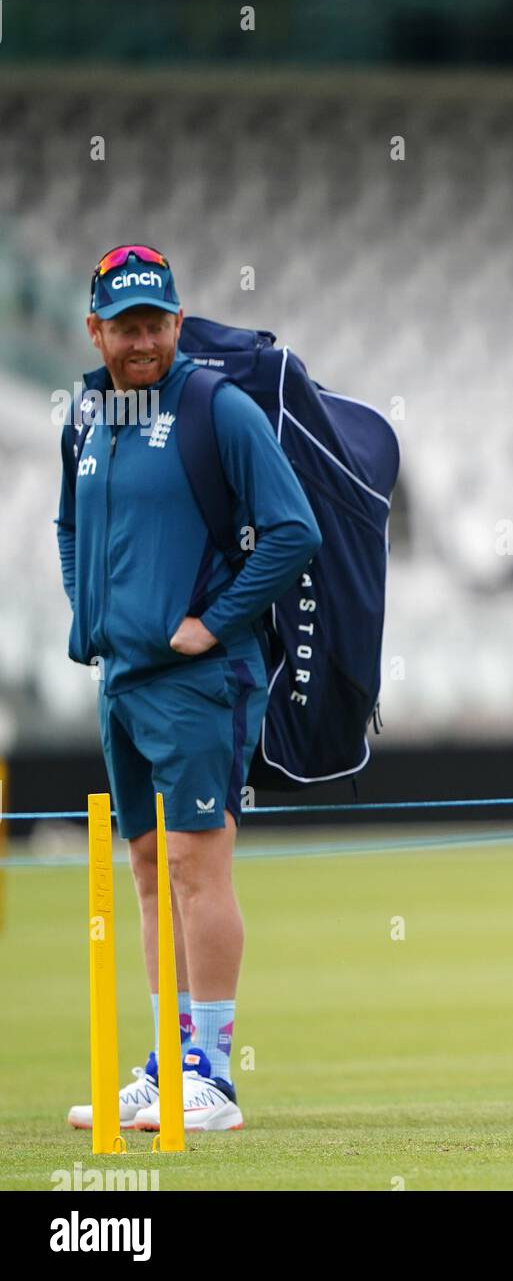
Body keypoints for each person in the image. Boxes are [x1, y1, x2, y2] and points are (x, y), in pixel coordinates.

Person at [59, 245, 321, 1132]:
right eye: (124, 325)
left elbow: (293, 532)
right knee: (145, 870)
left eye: (155, 323)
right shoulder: (89, 416)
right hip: (122, 678)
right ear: (95, 330)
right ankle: (168, 1057)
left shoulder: (218, 408)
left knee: (194, 863)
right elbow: (70, 525)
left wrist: (211, 621)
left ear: (177, 322)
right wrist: (89, 613)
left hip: (200, 681)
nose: (141, 340)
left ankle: (211, 1073)